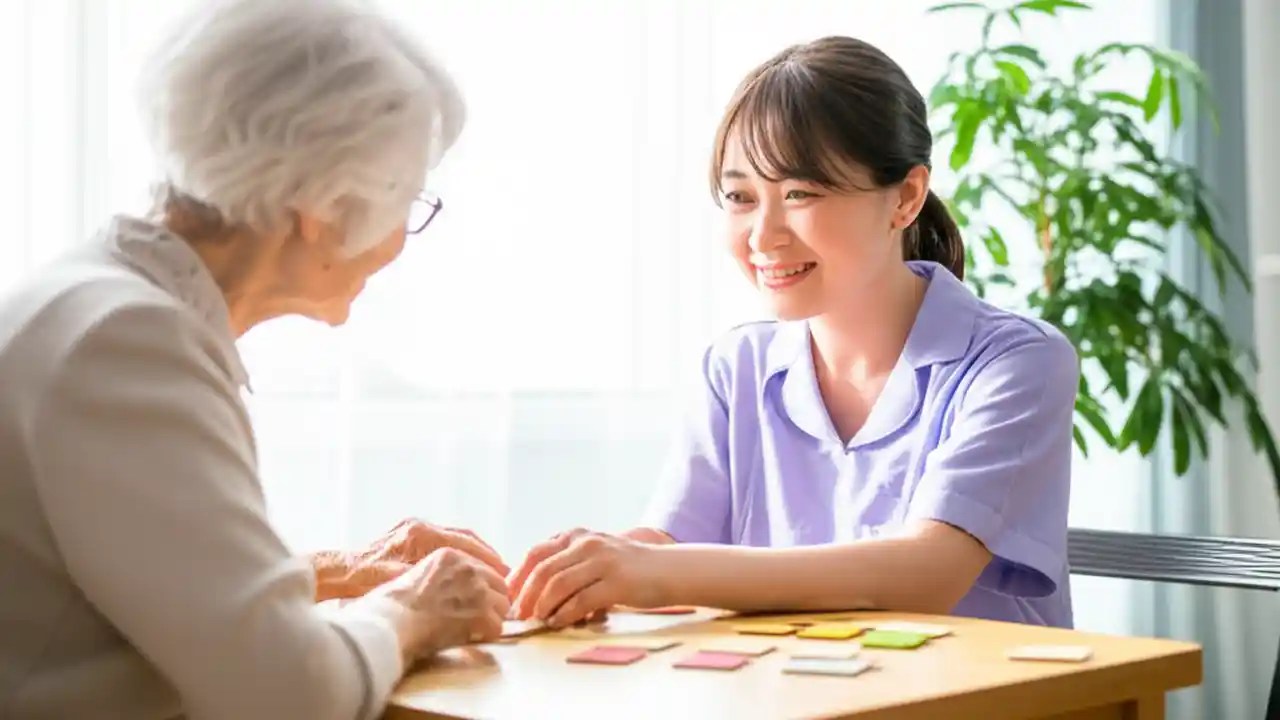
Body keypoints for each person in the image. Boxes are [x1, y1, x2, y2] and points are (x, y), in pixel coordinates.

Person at [0, 1, 510, 718]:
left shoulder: (86, 301)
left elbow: (133, 582)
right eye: (408, 197)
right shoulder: (127, 341)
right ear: (326, 205)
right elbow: (290, 692)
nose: (399, 238)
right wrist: (412, 609)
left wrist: (333, 575)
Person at [507, 36, 1079, 630]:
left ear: (906, 197)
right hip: (798, 694)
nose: (762, 235)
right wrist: (572, 572)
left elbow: (927, 573)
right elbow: (667, 543)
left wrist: (649, 569)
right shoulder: (737, 367)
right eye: (740, 197)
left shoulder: (1016, 362)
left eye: (800, 193)